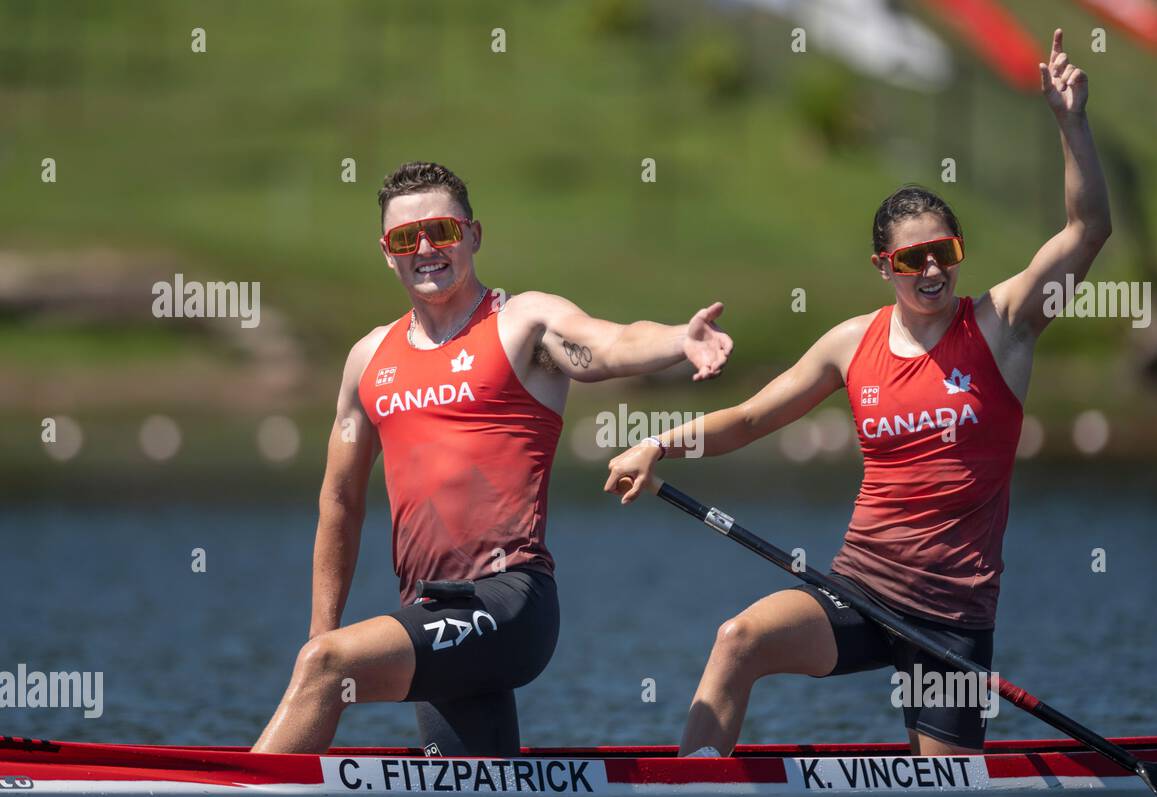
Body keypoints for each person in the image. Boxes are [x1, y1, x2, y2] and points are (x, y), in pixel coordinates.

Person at [606, 30, 1109, 758]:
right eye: (913, 258)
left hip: (952, 617)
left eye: (945, 252)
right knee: (738, 638)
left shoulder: (1004, 325)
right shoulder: (850, 344)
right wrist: (657, 441)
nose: (932, 269)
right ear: (885, 266)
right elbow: (749, 419)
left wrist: (1071, 121)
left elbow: (1088, 229)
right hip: (859, 594)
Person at [253, 161, 732, 755]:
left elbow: (608, 342)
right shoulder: (367, 359)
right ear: (387, 253)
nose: (425, 248)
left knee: (327, 665)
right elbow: (340, 501)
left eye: (442, 231)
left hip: (510, 604)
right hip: (432, 612)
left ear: (473, 236)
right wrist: (318, 636)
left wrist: (676, 341)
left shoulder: (521, 325)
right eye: (407, 238)